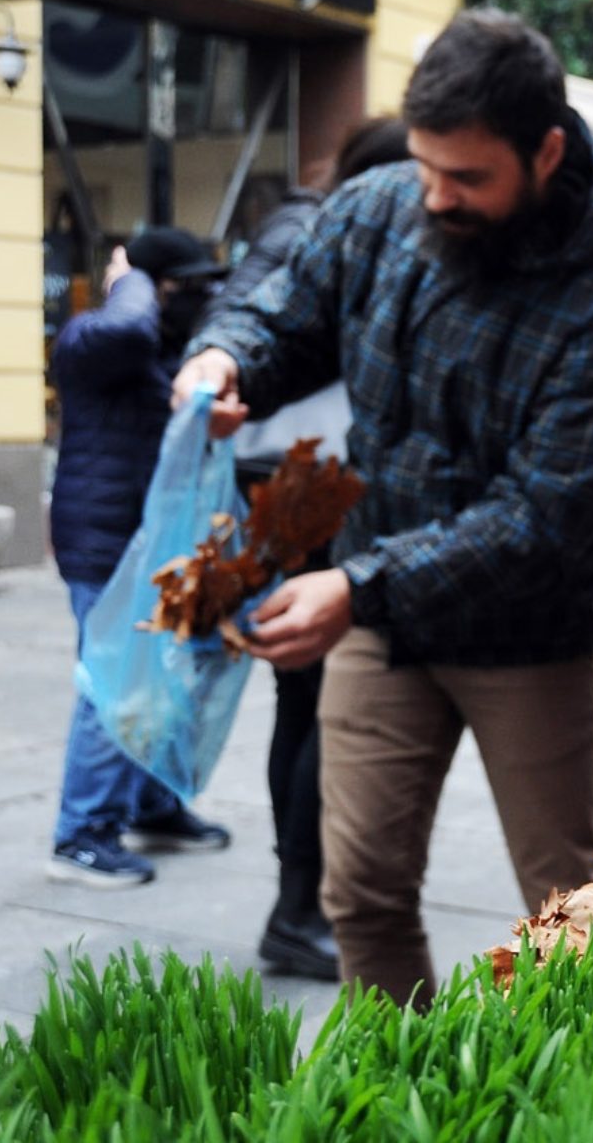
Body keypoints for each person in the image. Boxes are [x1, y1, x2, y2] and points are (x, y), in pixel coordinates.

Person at [176, 10, 593, 1005]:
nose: (436, 195)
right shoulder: (377, 208)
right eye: (425, 165)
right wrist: (228, 358)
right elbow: (286, 312)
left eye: (468, 177)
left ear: (547, 152)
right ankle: (404, 1075)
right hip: (379, 622)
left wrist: (354, 588)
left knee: (570, 912)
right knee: (357, 891)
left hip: (527, 638)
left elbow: (540, 521)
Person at [202, 118, 412, 983]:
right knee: (325, 694)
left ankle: (305, 901)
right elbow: (244, 325)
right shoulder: (314, 227)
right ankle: (300, 908)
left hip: (305, 477)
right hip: (302, 481)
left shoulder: (309, 219)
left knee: (309, 695)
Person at [49, 227, 233, 885]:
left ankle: (153, 805)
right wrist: (129, 279)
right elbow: (126, 329)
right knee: (114, 683)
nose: (195, 298)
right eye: (180, 286)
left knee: (161, 682)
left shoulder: (165, 349)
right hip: (103, 542)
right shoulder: (93, 338)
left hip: (155, 544)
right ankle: (82, 835)